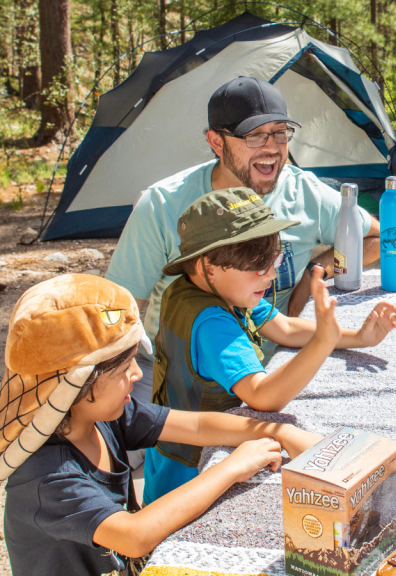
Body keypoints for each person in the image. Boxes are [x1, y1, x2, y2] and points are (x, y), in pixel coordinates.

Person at [0, 274, 323, 576]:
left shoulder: (102, 416)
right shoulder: (46, 477)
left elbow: (199, 427)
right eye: (125, 369)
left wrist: (280, 432)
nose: (138, 374)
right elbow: (134, 535)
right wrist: (232, 468)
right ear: (77, 384)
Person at [106, 75, 381, 407]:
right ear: (217, 142)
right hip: (176, 376)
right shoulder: (163, 205)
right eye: (254, 136)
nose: (272, 147)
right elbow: (116, 310)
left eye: (280, 133)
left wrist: (315, 276)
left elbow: (374, 239)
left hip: (271, 364)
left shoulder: (301, 191)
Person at [144, 187, 396, 504]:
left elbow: (285, 327)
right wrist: (323, 341)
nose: (271, 274)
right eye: (258, 265)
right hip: (190, 477)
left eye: (274, 259)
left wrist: (356, 337)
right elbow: (264, 398)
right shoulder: (211, 322)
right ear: (207, 265)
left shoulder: (218, 289)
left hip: (176, 458)